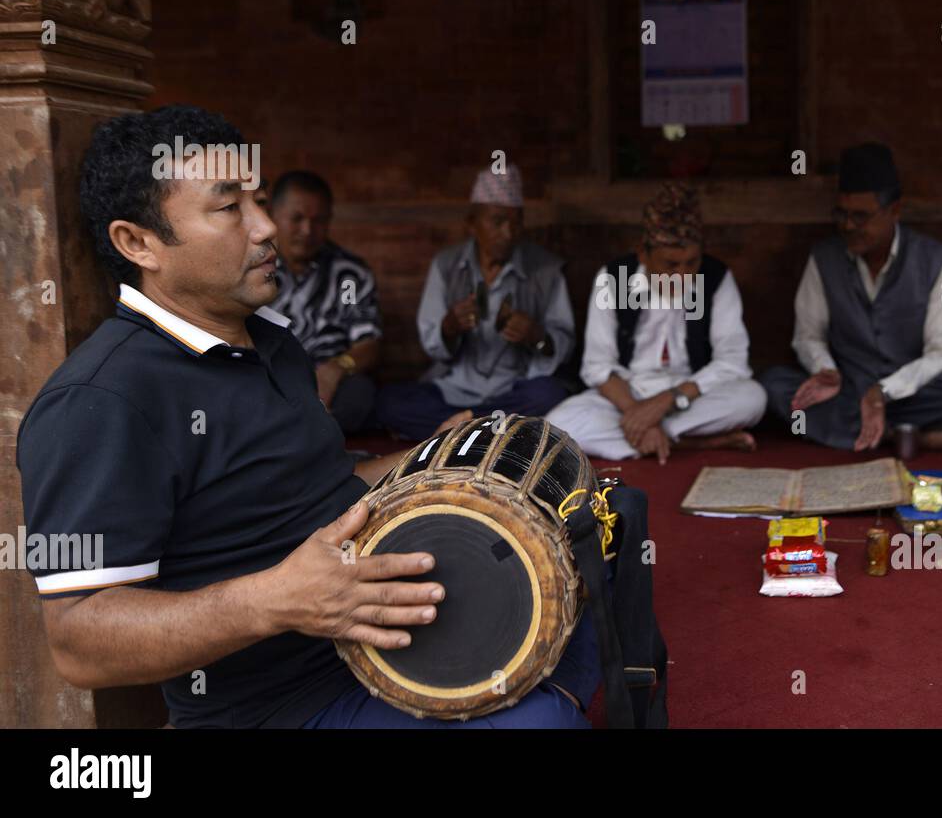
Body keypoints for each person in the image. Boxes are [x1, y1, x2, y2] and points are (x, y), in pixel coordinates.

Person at [17, 106, 596, 728]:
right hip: (286, 708)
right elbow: (77, 639)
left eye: (258, 200)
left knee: (584, 558)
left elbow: (319, 483)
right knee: (541, 718)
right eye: (228, 208)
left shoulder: (272, 341)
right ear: (138, 243)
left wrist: (434, 454)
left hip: (374, 638)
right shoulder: (102, 399)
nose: (265, 227)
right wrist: (273, 602)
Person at [761, 142, 942, 458]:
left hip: (908, 392)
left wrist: (883, 393)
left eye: (860, 217)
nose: (847, 226)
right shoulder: (823, 259)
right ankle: (910, 436)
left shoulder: (939, 262)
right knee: (773, 386)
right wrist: (825, 370)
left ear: (894, 210)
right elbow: (808, 335)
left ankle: (873, 427)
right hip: (846, 390)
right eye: (841, 214)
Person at [547, 182, 766, 464]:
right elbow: (597, 365)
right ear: (643, 253)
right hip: (628, 394)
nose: (682, 275)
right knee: (560, 427)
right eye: (671, 265)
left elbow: (733, 360)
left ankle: (655, 437)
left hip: (688, 394)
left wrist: (666, 402)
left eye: (691, 263)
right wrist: (638, 413)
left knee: (753, 399)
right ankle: (689, 442)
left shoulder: (716, 277)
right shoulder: (612, 279)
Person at [374, 164, 574, 441]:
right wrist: (449, 327)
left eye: (517, 222)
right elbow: (432, 341)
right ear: (472, 223)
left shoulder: (546, 270)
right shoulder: (446, 265)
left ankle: (457, 432)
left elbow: (563, 341)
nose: (509, 232)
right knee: (389, 402)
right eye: (498, 221)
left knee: (551, 394)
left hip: (516, 389)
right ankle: (495, 431)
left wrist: (537, 336)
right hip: (455, 391)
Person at [267, 170, 383, 433]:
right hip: (269, 377)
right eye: (297, 219)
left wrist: (336, 369)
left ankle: (300, 431)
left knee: (361, 395)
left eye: (318, 220)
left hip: (332, 384)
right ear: (273, 215)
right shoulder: (253, 267)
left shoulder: (350, 274)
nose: (307, 230)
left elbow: (369, 343)